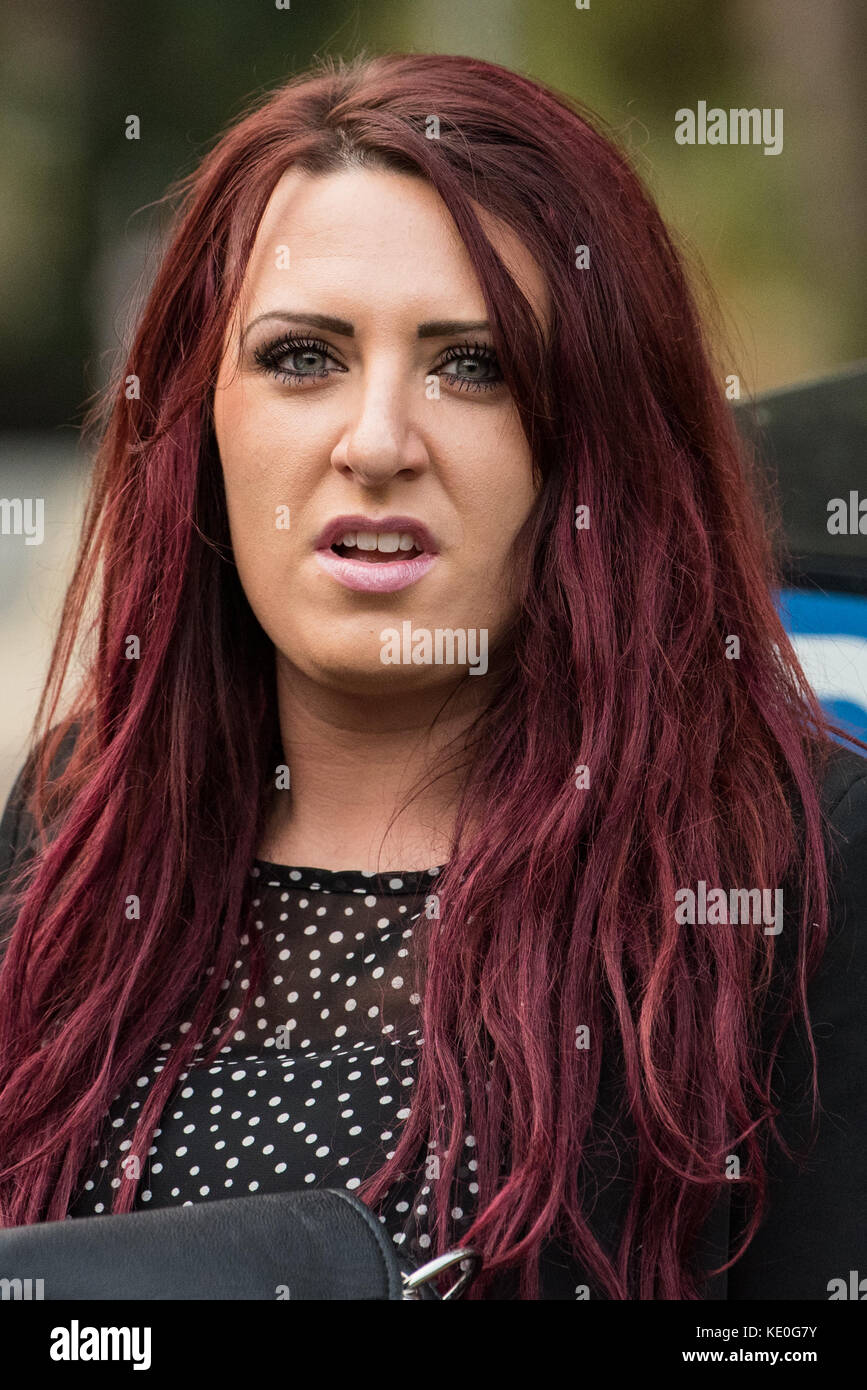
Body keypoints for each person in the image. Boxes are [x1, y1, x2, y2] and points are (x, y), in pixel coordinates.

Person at [0, 51, 864, 1301]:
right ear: (200, 420)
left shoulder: (795, 871)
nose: (377, 444)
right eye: (304, 356)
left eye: (474, 365)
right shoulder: (73, 821)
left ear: (596, 442)